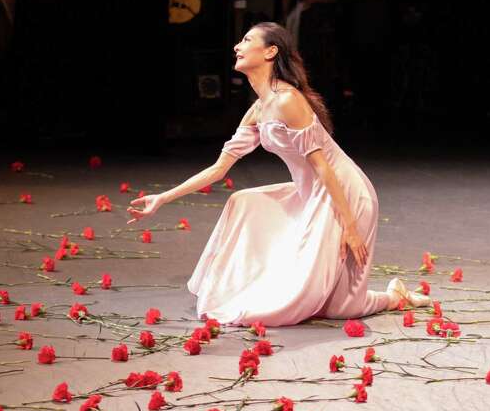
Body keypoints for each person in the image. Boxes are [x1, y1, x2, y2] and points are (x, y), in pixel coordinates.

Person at [126, 23, 431, 327]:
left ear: (271, 51)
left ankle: (397, 297)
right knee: (243, 202)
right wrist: (163, 199)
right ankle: (391, 294)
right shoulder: (258, 111)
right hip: (311, 194)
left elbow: (323, 166)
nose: (237, 46)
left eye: (246, 40)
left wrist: (349, 225)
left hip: (345, 193)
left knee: (343, 307)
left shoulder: (288, 100)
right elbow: (218, 170)